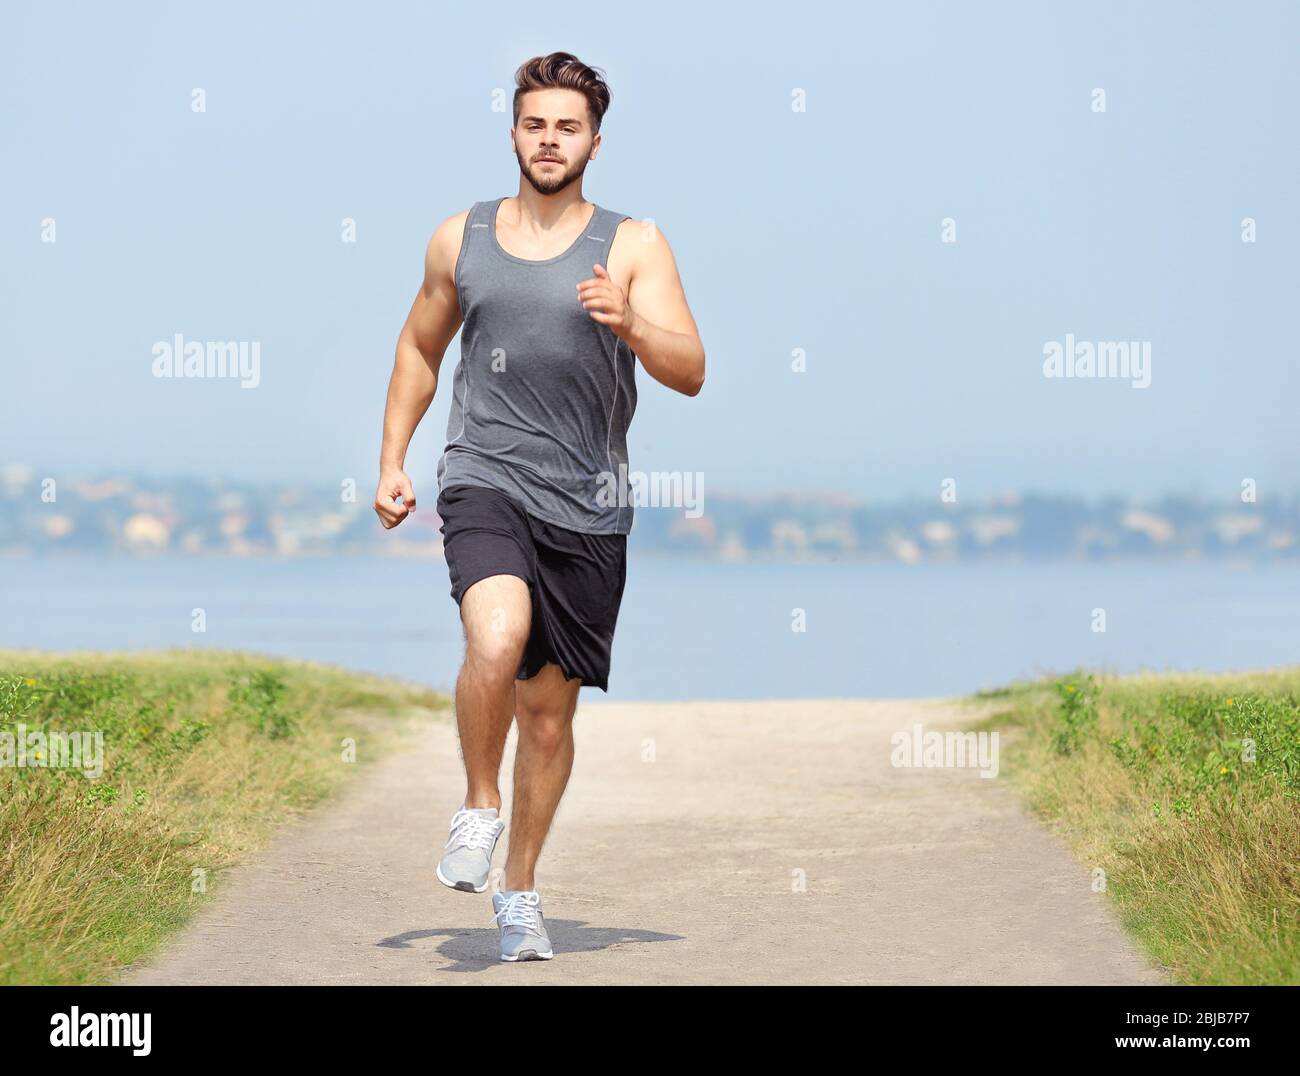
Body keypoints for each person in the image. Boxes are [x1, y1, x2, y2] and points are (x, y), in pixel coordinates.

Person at [374, 52, 704, 962]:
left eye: (566, 126)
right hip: (484, 476)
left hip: (589, 507)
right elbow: (418, 348)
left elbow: (691, 370)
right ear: (512, 131)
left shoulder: (633, 244)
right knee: (495, 636)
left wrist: (631, 324)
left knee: (549, 717)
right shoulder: (461, 237)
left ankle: (518, 888)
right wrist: (393, 459)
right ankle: (479, 801)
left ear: (595, 141)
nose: (548, 140)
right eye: (534, 123)